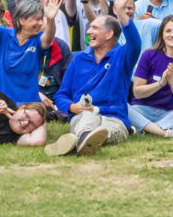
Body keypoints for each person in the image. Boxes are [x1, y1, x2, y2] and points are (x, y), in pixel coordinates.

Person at [50, 12, 134, 156]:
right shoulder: (78, 59)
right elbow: (61, 94)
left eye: (95, 28)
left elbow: (135, 42)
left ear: (108, 34)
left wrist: (121, 12)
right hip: (83, 114)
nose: (89, 31)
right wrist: (71, 107)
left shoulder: (122, 57)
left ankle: (77, 141)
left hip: (114, 118)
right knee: (87, 119)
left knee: (110, 130)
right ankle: (85, 138)